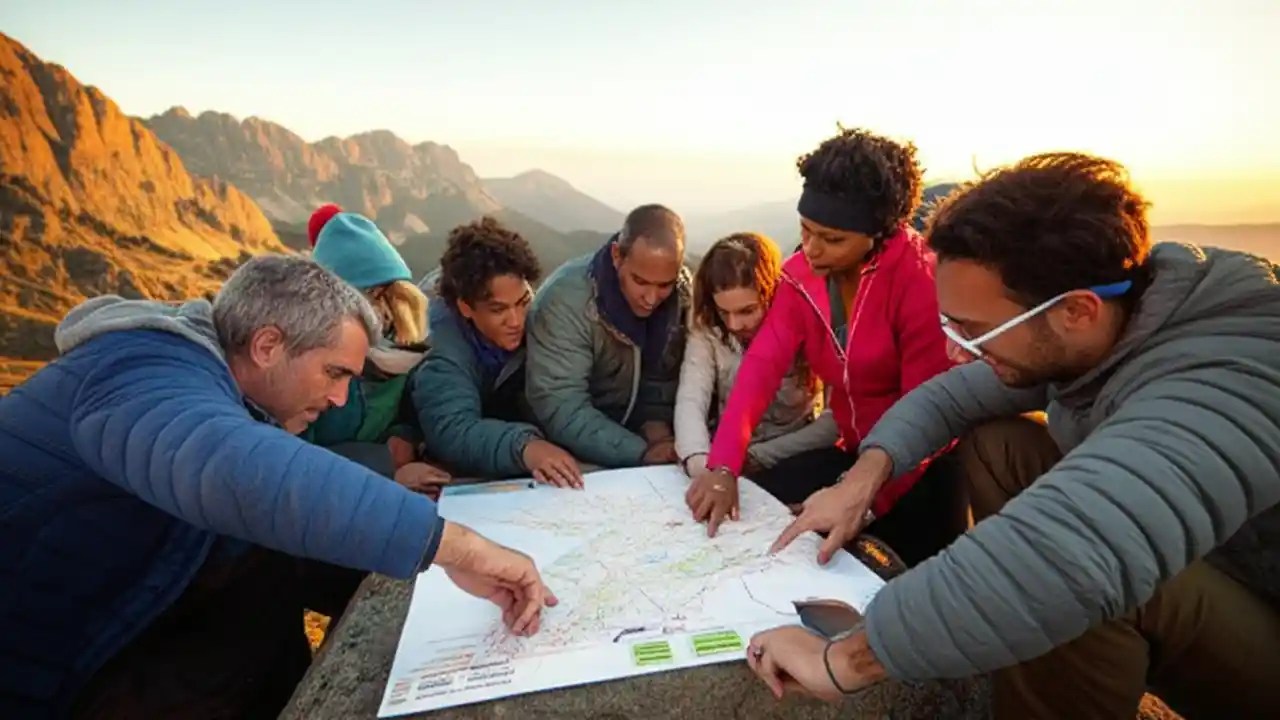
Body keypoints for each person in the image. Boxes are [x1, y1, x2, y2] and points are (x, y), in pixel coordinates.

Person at [751, 152, 1280, 719]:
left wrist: (843, 662)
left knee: (1071, 584)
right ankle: (1030, 660)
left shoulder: (1232, 368)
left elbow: (1078, 546)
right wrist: (862, 480)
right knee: (1000, 442)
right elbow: (950, 396)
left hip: (1257, 615)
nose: (956, 352)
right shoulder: (1119, 311)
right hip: (1205, 564)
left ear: (1076, 312)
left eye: (976, 332)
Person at [0, 255, 557, 719]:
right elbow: (233, 469)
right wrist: (458, 547)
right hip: (56, 653)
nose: (340, 399)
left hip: (134, 594)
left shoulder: (231, 391)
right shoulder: (142, 372)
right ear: (267, 346)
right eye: (335, 373)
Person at [686, 127, 963, 563]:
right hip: (849, 455)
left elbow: (926, 415)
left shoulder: (920, 283)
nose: (811, 249)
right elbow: (761, 367)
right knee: (765, 504)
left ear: (880, 233)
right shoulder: (800, 277)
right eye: (805, 230)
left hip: (915, 477)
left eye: (832, 239)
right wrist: (723, 466)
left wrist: (863, 500)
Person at [411, 217, 582, 487]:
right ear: (466, 308)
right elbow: (453, 431)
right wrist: (525, 448)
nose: (516, 320)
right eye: (498, 310)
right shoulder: (441, 351)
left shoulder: (542, 318)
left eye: (522, 302)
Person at [525, 204, 692, 469]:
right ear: (617, 256)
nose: (651, 299)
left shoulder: (682, 297)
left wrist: (661, 438)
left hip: (638, 439)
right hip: (564, 448)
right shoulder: (565, 302)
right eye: (640, 281)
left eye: (664, 285)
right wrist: (640, 452)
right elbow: (560, 405)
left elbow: (663, 379)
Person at [673, 232, 839, 495]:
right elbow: (692, 398)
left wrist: (757, 456)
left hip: (796, 454)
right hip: (724, 457)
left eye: (747, 311)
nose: (734, 324)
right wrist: (702, 464)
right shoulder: (706, 323)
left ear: (771, 295)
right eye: (724, 312)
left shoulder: (807, 315)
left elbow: (836, 421)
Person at [305, 207, 448, 495]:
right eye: (371, 295)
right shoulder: (311, 358)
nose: (386, 309)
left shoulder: (411, 348)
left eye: (389, 292)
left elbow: (408, 412)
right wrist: (386, 467)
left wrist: (403, 437)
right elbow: (295, 457)